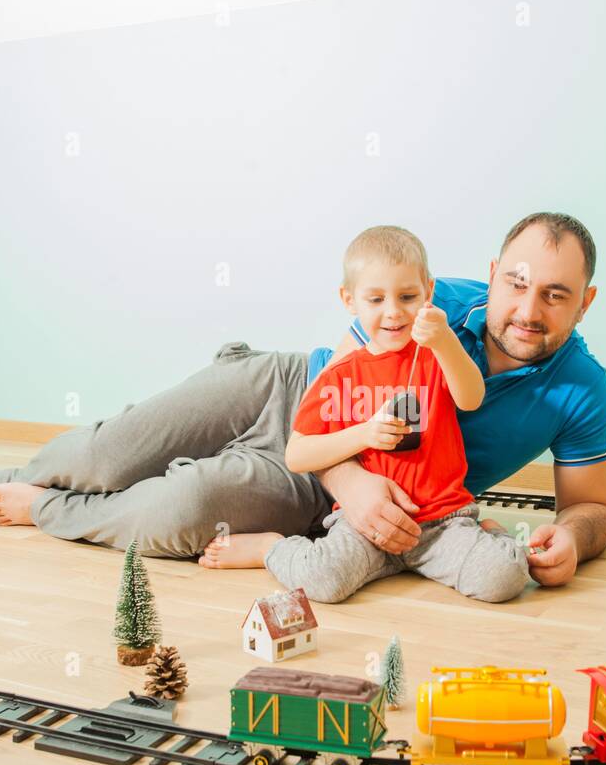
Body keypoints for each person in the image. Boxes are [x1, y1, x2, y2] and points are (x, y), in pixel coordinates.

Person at [0, 211, 606, 588]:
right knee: (113, 450)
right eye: (517, 282)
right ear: (495, 274)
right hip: (296, 395)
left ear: (583, 303)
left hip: (315, 488)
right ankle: (11, 476)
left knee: (187, 506)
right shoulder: (433, 299)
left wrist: (574, 542)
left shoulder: (583, 391)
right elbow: (344, 389)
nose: (528, 307)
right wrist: (350, 480)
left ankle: (43, 507)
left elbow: (593, 507)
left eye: (555, 295)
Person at [200, 226, 530, 603]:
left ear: (429, 292)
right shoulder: (341, 375)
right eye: (375, 299)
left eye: (408, 296)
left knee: (503, 578)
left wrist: (444, 341)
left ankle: (493, 533)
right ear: (349, 300)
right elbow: (298, 455)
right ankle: (269, 548)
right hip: (365, 525)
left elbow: (471, 397)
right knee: (323, 583)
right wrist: (364, 434)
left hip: (441, 523)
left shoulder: (436, 355)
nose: (393, 312)